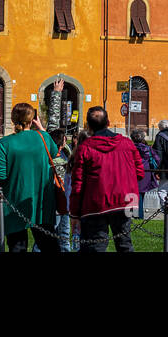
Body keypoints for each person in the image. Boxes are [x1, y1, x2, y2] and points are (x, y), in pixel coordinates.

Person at [70, 106, 144, 252]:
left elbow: (77, 183)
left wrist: (74, 213)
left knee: (96, 246)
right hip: (126, 199)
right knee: (125, 244)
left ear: (88, 126)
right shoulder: (127, 143)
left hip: (96, 202)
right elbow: (140, 173)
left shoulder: (85, 148)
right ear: (108, 122)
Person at [0, 102, 59, 252]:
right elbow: (56, 155)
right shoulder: (44, 138)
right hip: (41, 202)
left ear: (13, 119)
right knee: (49, 246)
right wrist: (41, 128)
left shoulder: (4, 143)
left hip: (15, 201)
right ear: (32, 119)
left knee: (17, 247)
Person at [131, 129, 159, 219]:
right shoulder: (148, 149)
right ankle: (139, 215)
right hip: (145, 172)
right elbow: (157, 159)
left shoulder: (129, 148)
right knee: (141, 194)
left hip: (132, 172)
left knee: (133, 194)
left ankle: (136, 215)